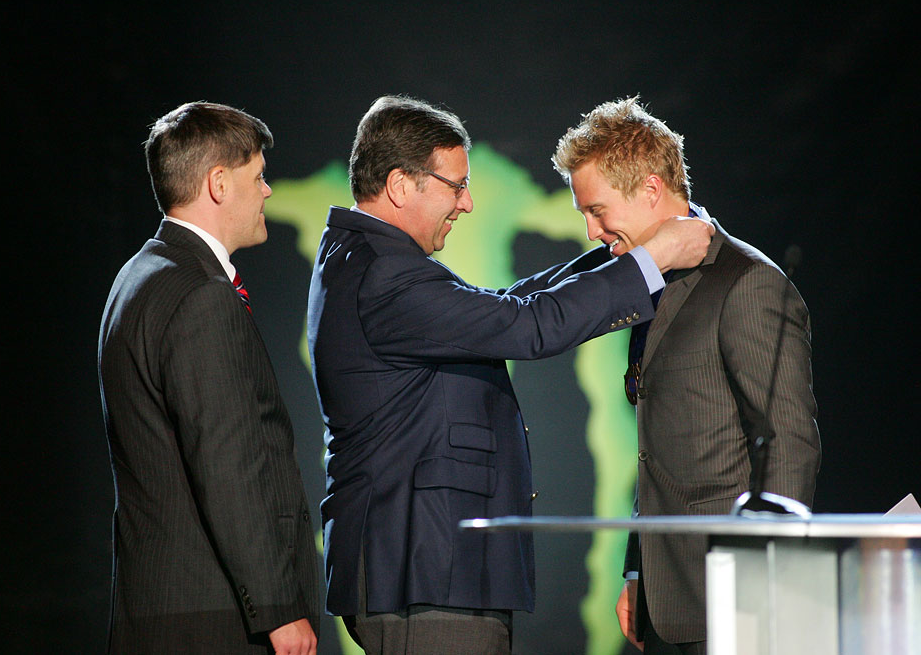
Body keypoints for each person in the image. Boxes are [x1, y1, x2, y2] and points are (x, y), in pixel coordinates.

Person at [306, 95, 713, 654]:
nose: (467, 203)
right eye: (456, 185)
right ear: (402, 185)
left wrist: (621, 254)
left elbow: (501, 309)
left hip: (425, 575)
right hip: (426, 577)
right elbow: (526, 327)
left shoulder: (364, 259)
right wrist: (653, 258)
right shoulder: (385, 275)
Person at [552, 96, 821, 655]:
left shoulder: (748, 283)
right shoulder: (645, 283)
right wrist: (636, 571)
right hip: (661, 598)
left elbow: (790, 444)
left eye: (598, 210)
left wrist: (766, 585)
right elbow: (657, 450)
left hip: (734, 602)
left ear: (651, 189)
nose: (590, 230)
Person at [98, 102, 318, 654]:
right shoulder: (202, 297)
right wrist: (278, 609)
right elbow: (228, 463)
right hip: (215, 621)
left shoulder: (136, 276)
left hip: (160, 611)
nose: (267, 191)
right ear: (219, 183)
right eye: (258, 176)